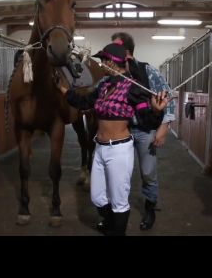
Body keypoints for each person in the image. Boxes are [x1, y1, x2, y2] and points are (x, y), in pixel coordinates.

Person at [56, 43, 169, 236]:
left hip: (119, 151)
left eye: (103, 61)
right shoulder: (104, 85)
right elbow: (84, 103)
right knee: (98, 196)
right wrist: (66, 91)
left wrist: (157, 112)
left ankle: (117, 231)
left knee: (119, 201)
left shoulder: (133, 88)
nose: (101, 65)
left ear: (113, 62)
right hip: (99, 148)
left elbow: (146, 120)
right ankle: (109, 222)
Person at [111, 32, 176, 231]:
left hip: (145, 130)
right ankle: (119, 209)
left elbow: (168, 96)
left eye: (114, 48)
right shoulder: (113, 73)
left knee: (148, 172)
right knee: (120, 174)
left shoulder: (147, 71)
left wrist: (163, 128)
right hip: (121, 131)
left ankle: (150, 207)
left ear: (127, 51)